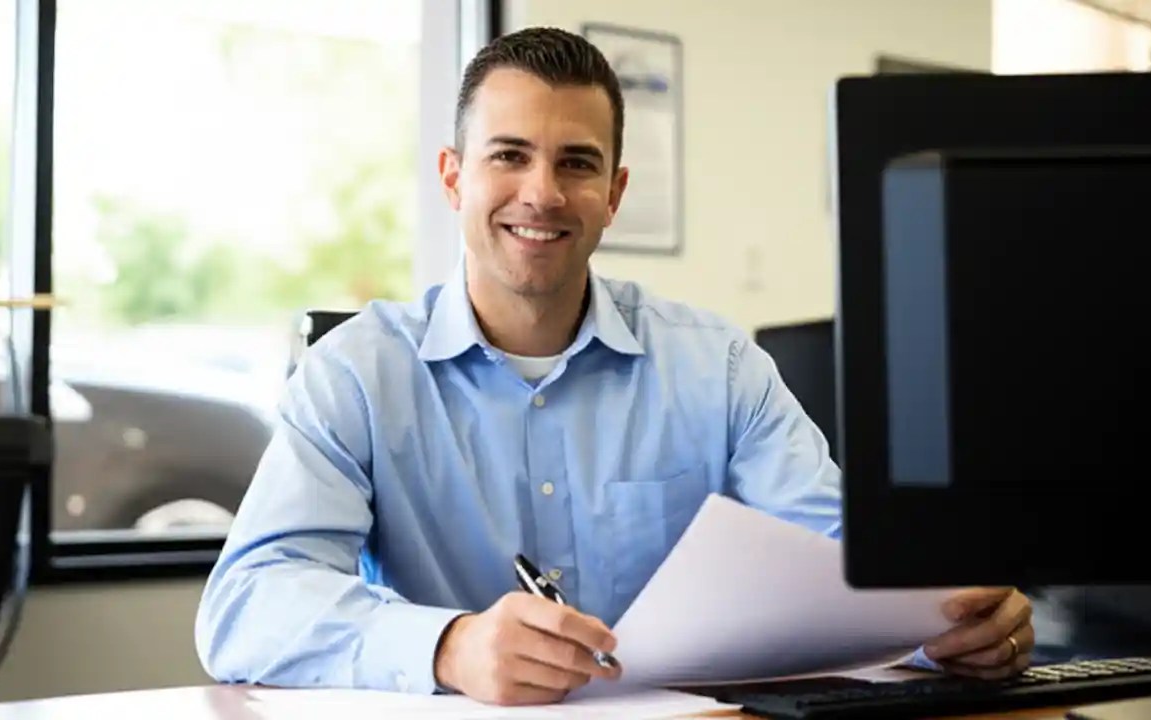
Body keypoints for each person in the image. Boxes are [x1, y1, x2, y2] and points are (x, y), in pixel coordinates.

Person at [194, 26, 1035, 706]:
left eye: (577, 163)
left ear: (615, 193)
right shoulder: (355, 375)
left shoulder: (720, 367)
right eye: (509, 155)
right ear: (453, 178)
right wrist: (448, 646)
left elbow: (844, 556)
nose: (543, 193)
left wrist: (945, 619)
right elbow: (247, 604)